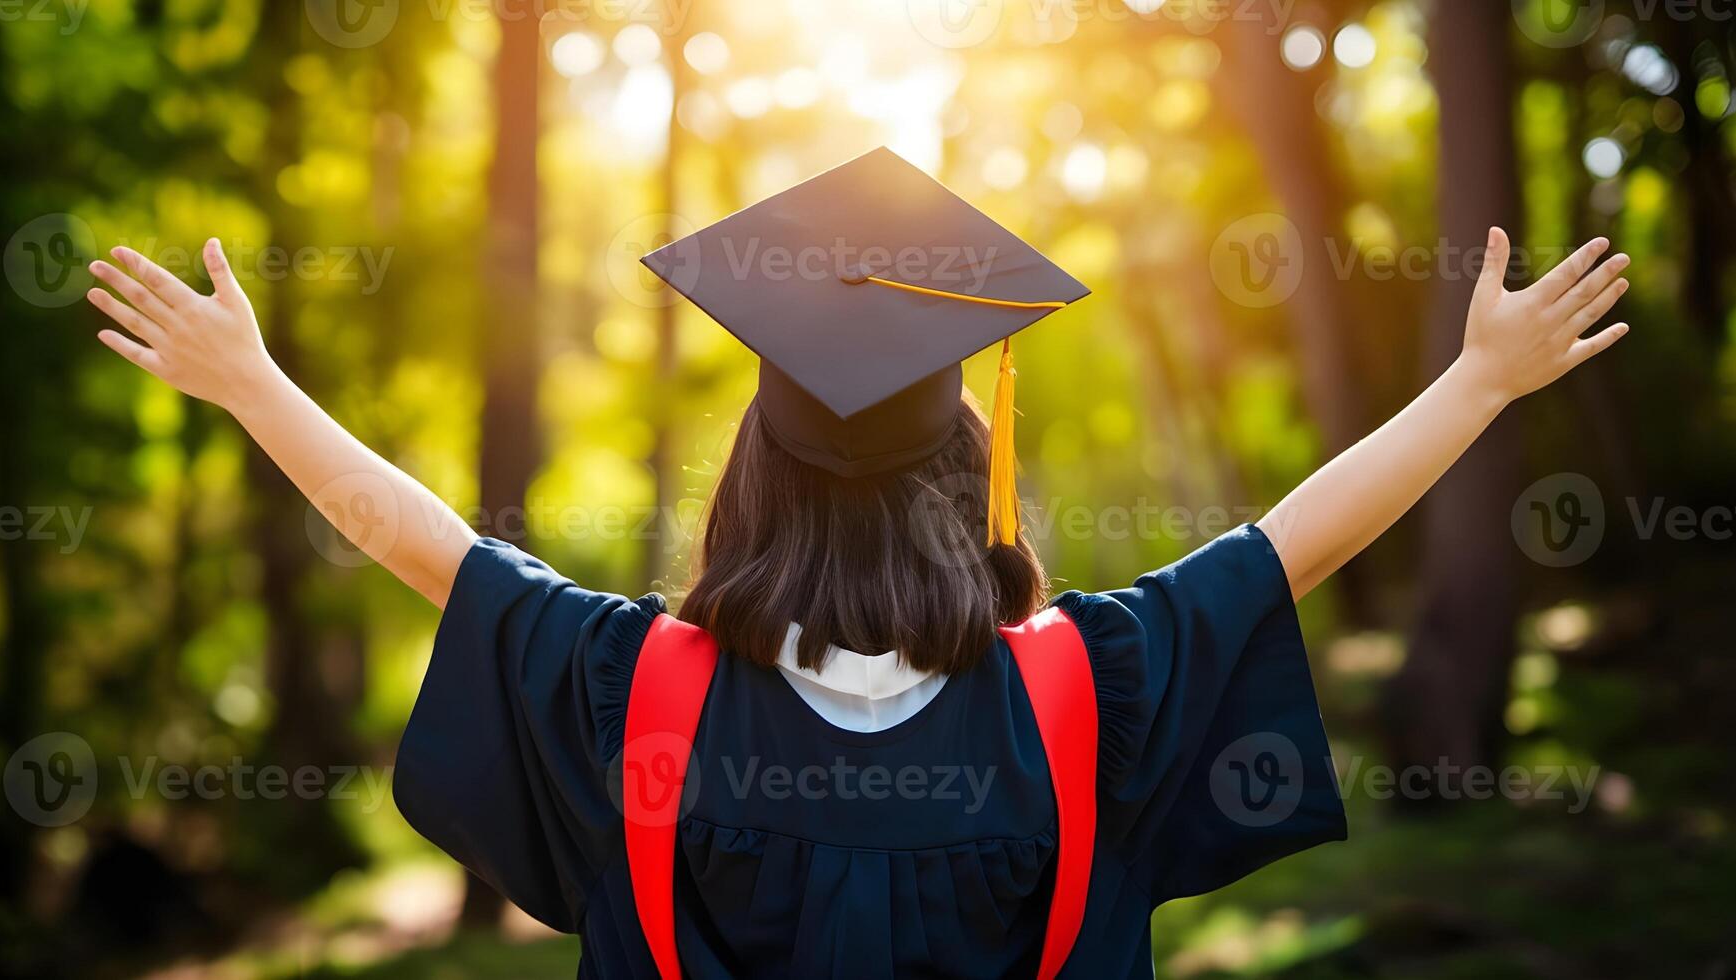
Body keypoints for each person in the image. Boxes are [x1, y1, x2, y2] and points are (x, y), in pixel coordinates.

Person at [79, 149, 1633, 978]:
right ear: (971, 481)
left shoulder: (640, 694)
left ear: (749, 484)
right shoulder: (1092, 687)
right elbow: (1300, 539)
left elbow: (421, 544)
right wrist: (1479, 381)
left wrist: (250, 384)